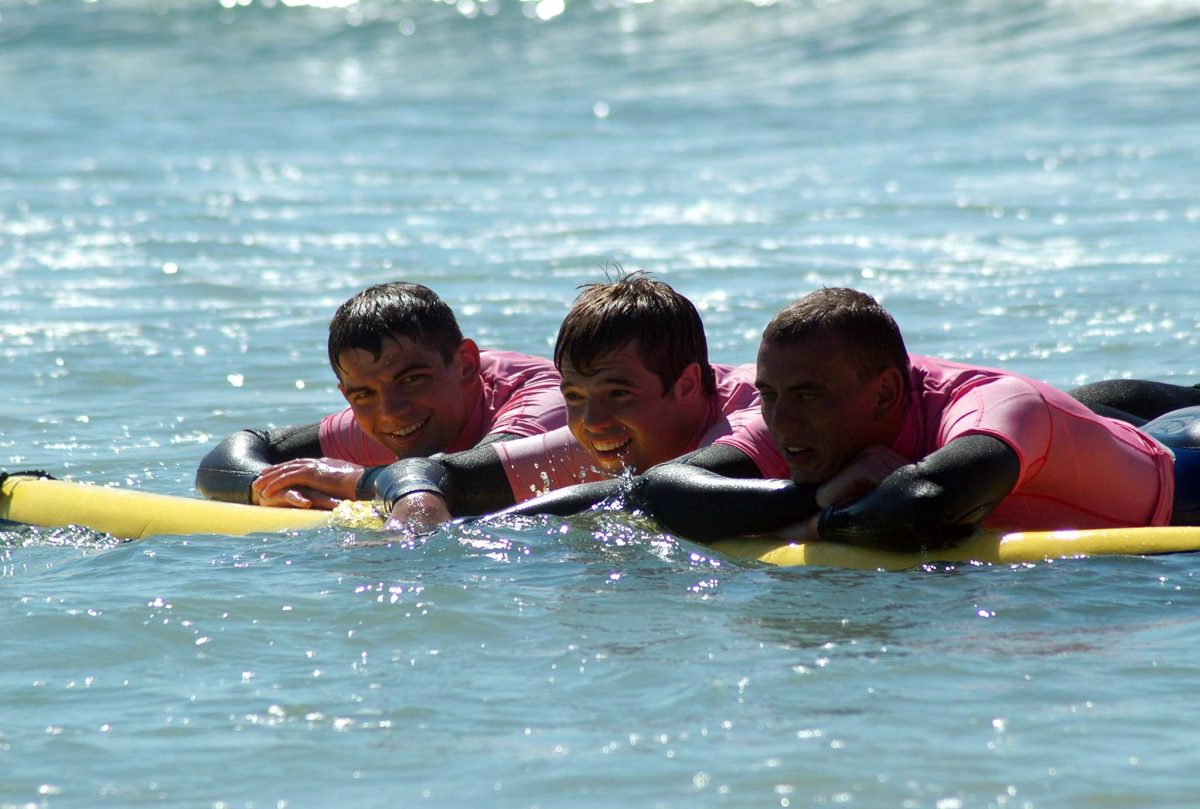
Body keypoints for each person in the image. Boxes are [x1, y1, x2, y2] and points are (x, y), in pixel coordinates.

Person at [619, 287, 1197, 552]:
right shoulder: (796, 413)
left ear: (885, 392)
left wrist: (817, 516)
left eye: (807, 395)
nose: (780, 418)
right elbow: (663, 489)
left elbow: (924, 503)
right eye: (768, 394)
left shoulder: (998, 405)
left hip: (1181, 478)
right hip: (1092, 436)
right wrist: (820, 497)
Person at [299, 272, 789, 531]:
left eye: (619, 393)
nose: (592, 423)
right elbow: (443, 474)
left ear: (686, 386)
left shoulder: (768, 414)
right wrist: (390, 490)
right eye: (574, 397)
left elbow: (667, 493)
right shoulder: (598, 439)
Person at [195, 281, 566, 508]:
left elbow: (477, 479)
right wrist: (272, 488)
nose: (391, 413)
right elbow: (224, 460)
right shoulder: (385, 419)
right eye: (363, 394)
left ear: (467, 364)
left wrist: (347, 481)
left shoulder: (545, 403)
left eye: (412, 380)